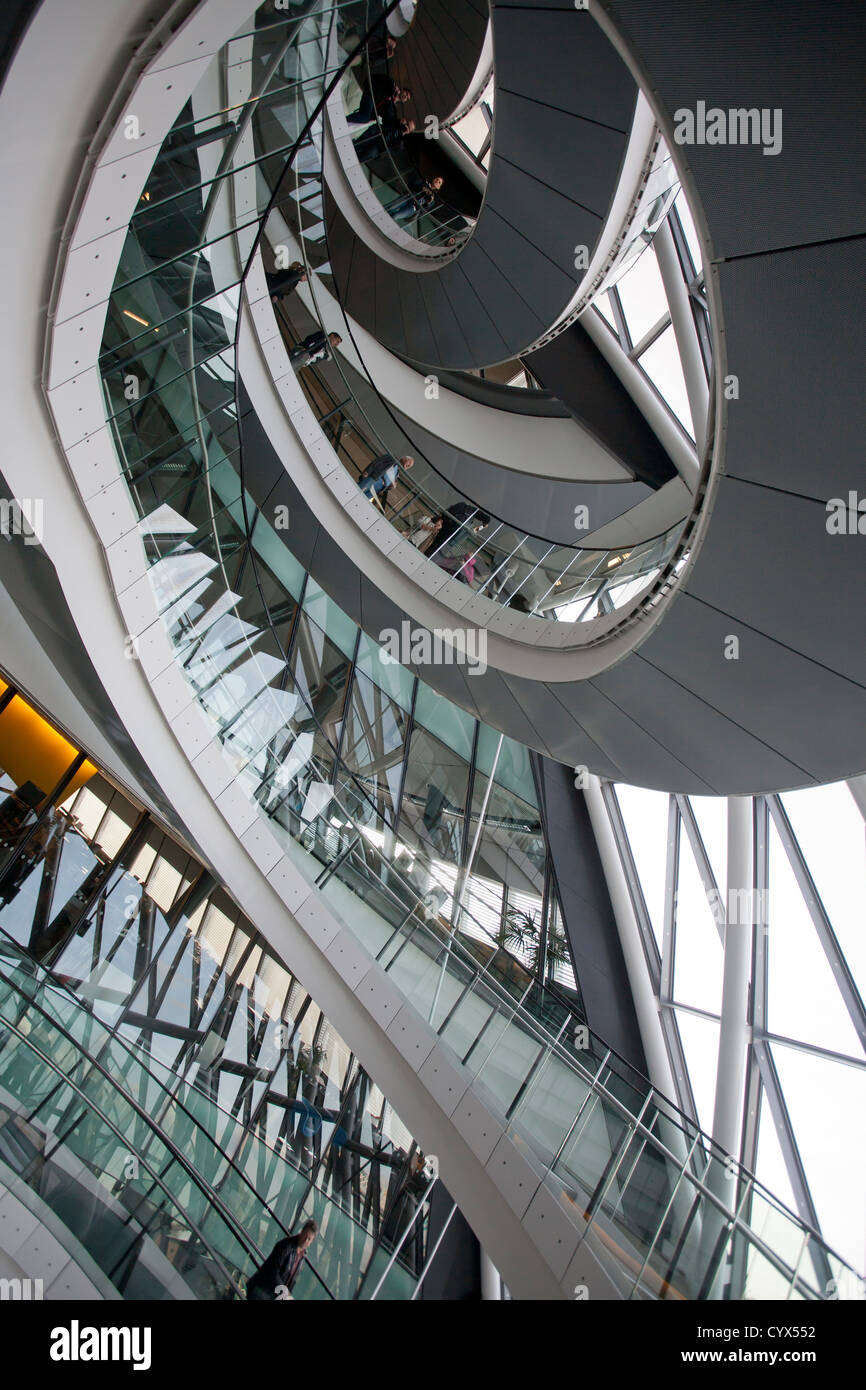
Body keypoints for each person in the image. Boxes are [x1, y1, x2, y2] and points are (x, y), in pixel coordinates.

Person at [246, 1219, 318, 1301]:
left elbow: (291, 1282)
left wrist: (287, 1295)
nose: (305, 1240)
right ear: (301, 1232)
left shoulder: (302, 1256)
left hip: (274, 1294)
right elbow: (272, 1272)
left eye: (309, 1239)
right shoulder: (286, 1246)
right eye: (305, 1235)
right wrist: (285, 1293)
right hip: (262, 1290)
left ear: (311, 1242)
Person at [347, 74, 411, 125]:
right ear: (402, 89)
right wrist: (391, 88)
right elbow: (373, 78)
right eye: (406, 93)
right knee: (365, 117)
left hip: (371, 112)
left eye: (407, 98)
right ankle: (344, 120)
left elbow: (387, 118)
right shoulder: (390, 83)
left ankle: (345, 120)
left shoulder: (392, 107)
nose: (405, 97)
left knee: (364, 118)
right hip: (371, 97)